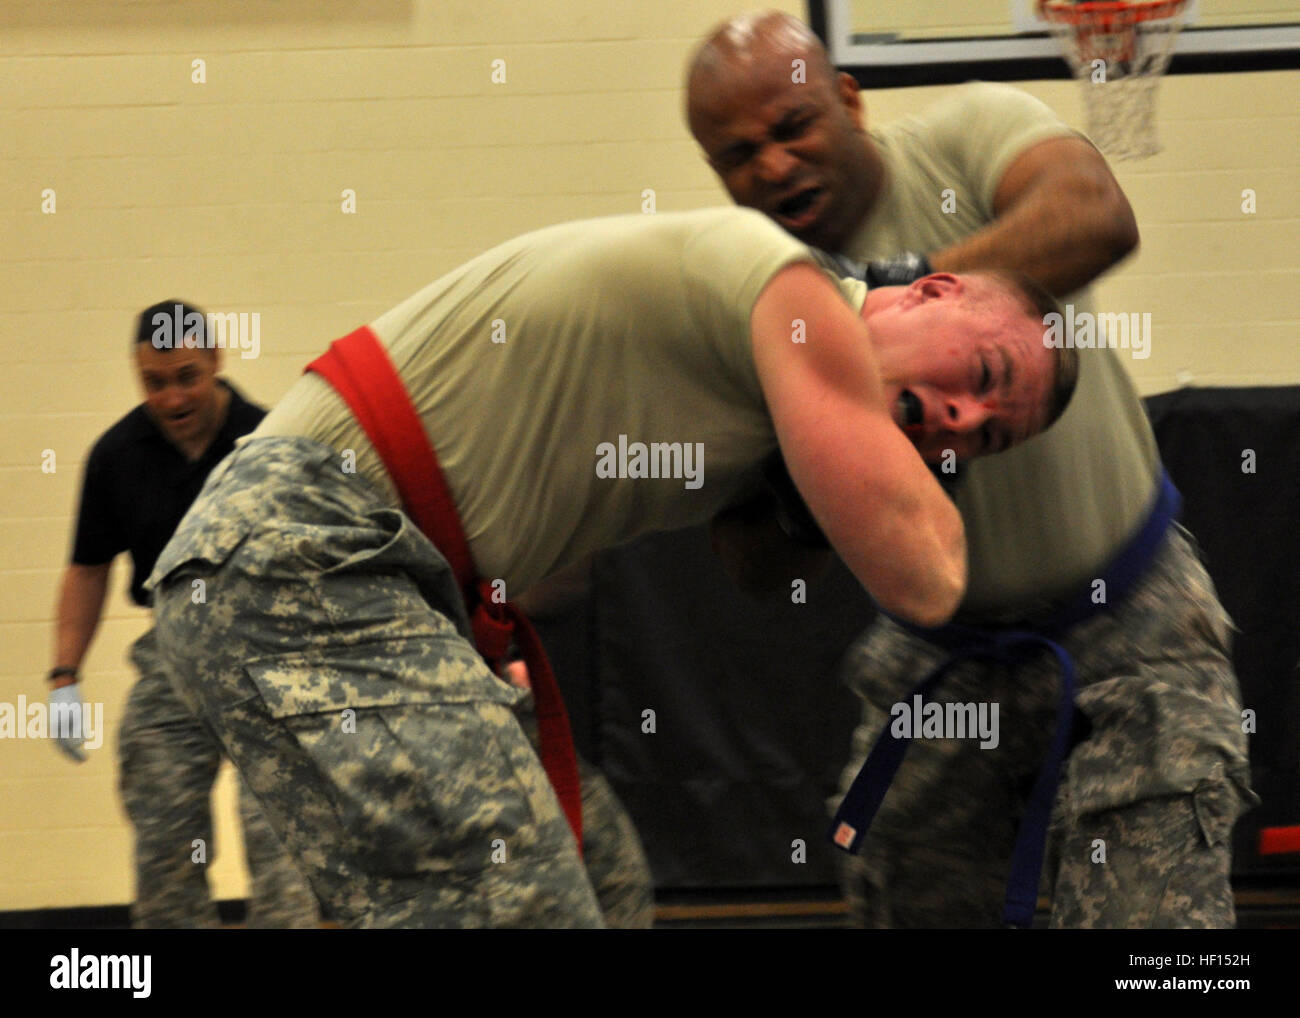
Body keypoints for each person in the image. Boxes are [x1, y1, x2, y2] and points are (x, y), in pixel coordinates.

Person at [144, 207, 1072, 928]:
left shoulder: (781, 387)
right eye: (984, 377)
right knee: (526, 903)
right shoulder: (797, 298)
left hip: (350, 578)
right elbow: (925, 578)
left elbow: (754, 566)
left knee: (603, 878)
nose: (958, 424)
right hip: (300, 550)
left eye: (987, 439)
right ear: (931, 290)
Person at [686, 11, 1257, 928]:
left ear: (847, 98)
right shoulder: (752, 295)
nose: (774, 166)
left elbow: (1095, 217)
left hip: (1131, 628)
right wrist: (804, 478)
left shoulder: (961, 140)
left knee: (1160, 949)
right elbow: (753, 566)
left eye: (792, 127)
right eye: (737, 154)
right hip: (942, 659)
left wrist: (881, 311)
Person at [49, 301, 321, 929]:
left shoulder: (271, 441)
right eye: (154, 383)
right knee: (164, 838)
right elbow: (88, 568)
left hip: (268, 660)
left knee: (281, 841)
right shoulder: (117, 456)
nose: (172, 400)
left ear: (218, 362)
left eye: (187, 377)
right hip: (173, 658)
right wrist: (65, 676)